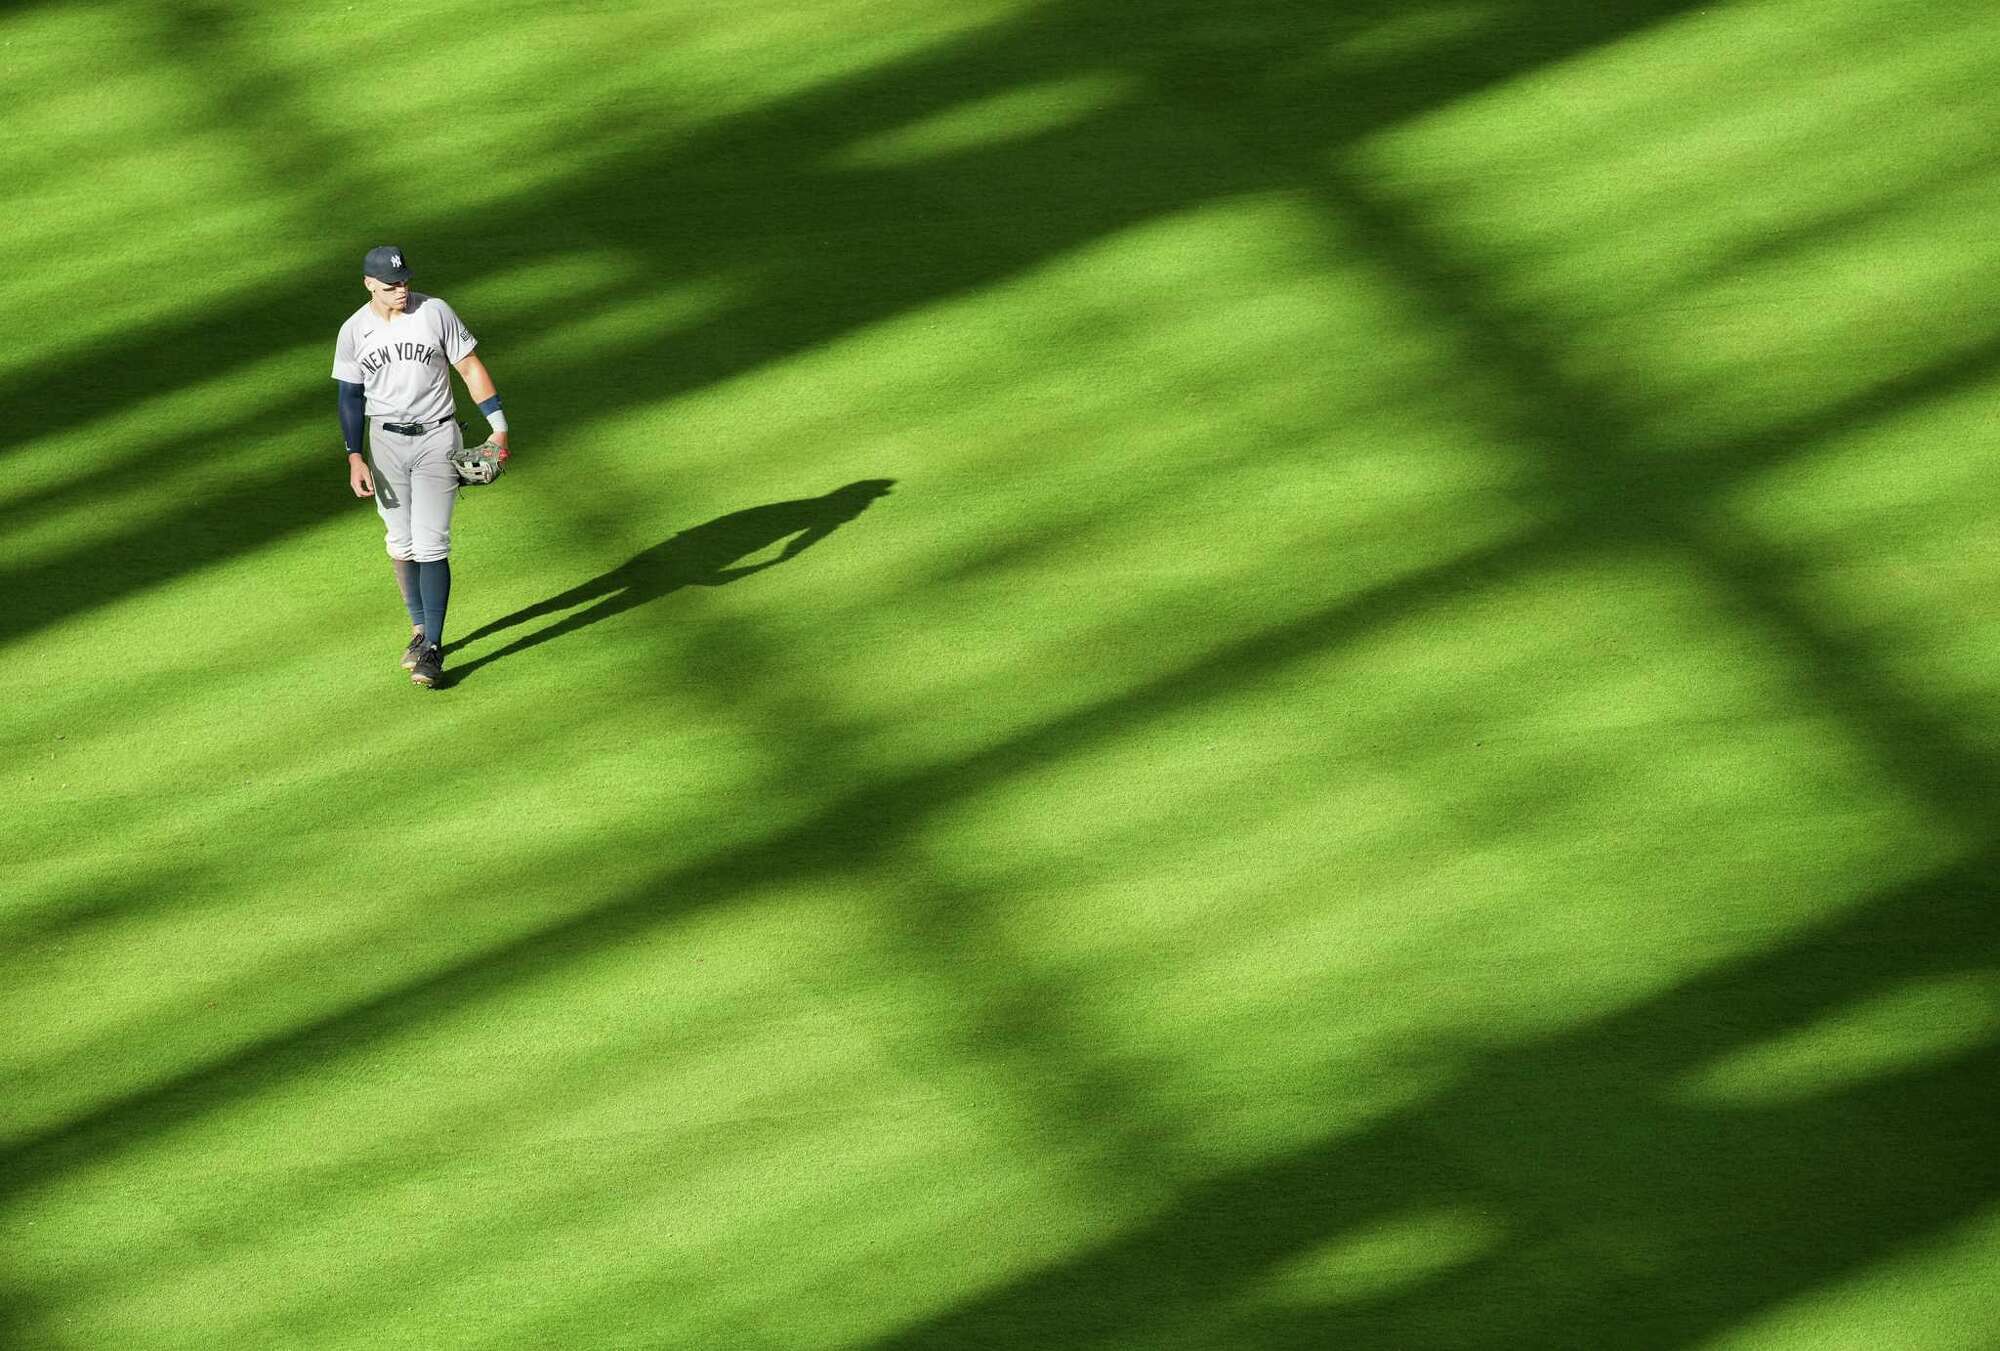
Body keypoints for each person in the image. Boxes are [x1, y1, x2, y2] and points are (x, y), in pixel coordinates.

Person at [332, 245, 510, 688]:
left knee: (432, 543)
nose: (401, 289)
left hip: (437, 436)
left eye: (405, 280)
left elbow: (468, 367)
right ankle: (418, 629)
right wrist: (354, 455)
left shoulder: (435, 313)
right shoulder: (354, 330)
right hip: (385, 441)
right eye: (391, 284)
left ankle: (433, 646)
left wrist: (498, 428)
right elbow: (349, 397)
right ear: (369, 284)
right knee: (400, 542)